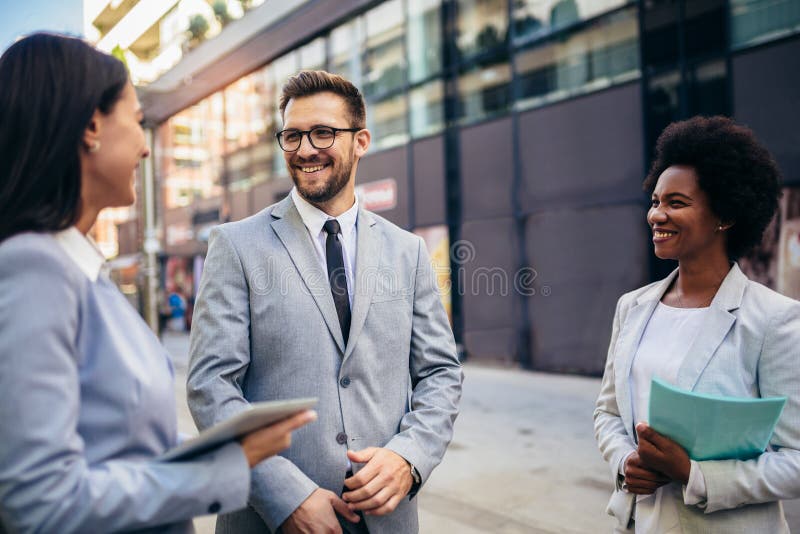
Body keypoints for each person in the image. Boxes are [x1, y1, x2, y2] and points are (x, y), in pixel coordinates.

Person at [0, 33, 315, 534]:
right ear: (90, 126)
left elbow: (117, 452)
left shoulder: (85, 273)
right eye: (137, 119)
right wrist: (225, 467)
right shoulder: (34, 269)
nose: (146, 146)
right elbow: (41, 502)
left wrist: (219, 448)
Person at [187, 70, 463, 534]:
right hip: (268, 521)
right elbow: (210, 387)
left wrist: (408, 458)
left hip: (386, 519)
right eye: (292, 136)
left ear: (361, 141)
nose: (305, 149)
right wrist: (284, 494)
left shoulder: (407, 251)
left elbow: (440, 372)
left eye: (323, 133)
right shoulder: (236, 245)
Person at [594, 116, 800, 532]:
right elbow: (608, 412)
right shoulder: (631, 307)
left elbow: (795, 459)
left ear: (723, 214)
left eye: (676, 203)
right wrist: (624, 461)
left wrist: (695, 474)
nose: (657, 214)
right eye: (655, 201)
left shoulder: (774, 320)